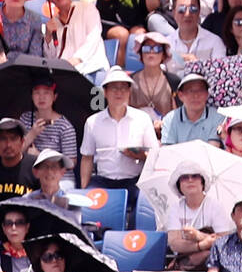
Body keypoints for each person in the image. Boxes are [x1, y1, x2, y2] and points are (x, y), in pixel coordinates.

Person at [79, 67, 158, 212]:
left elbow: (155, 155)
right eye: (114, 88)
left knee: (145, 208)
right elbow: (87, 158)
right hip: (103, 180)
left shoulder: (142, 119)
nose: (119, 92)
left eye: (123, 88)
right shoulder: (92, 122)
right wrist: (84, 187)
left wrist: (139, 155)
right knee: (84, 205)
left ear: (129, 92)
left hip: (134, 180)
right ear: (105, 92)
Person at [41, 0, 107, 79]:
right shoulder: (52, 23)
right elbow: (51, 57)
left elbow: (93, 39)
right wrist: (48, 36)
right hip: (64, 73)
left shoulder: (87, 9)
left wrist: (76, 60)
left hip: (91, 68)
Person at [165, 167, 229, 271]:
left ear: (202, 183)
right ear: (179, 185)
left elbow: (223, 241)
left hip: (213, 261)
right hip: (184, 260)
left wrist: (198, 235)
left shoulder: (216, 206)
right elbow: (174, 244)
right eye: (185, 177)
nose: (190, 180)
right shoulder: (175, 208)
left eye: (195, 176)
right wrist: (201, 245)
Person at [161, 0, 227, 75]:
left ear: (199, 12)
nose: (187, 14)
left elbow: (221, 74)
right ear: (174, 13)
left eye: (193, 9)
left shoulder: (215, 42)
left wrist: (199, 65)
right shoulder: (166, 44)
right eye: (182, 9)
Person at [18, 80, 78, 169]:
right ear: (32, 96)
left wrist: (40, 156)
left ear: (54, 96)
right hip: (30, 173)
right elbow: (15, 152)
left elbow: (71, 163)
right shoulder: (26, 118)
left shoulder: (64, 126)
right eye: (37, 93)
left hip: (58, 176)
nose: (41, 97)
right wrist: (32, 134)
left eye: (46, 92)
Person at [160, 72, 222, 145]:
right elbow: (168, 150)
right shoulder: (170, 119)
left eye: (200, 90)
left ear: (207, 94)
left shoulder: (218, 117)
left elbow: (213, 149)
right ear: (180, 95)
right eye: (190, 91)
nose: (196, 95)